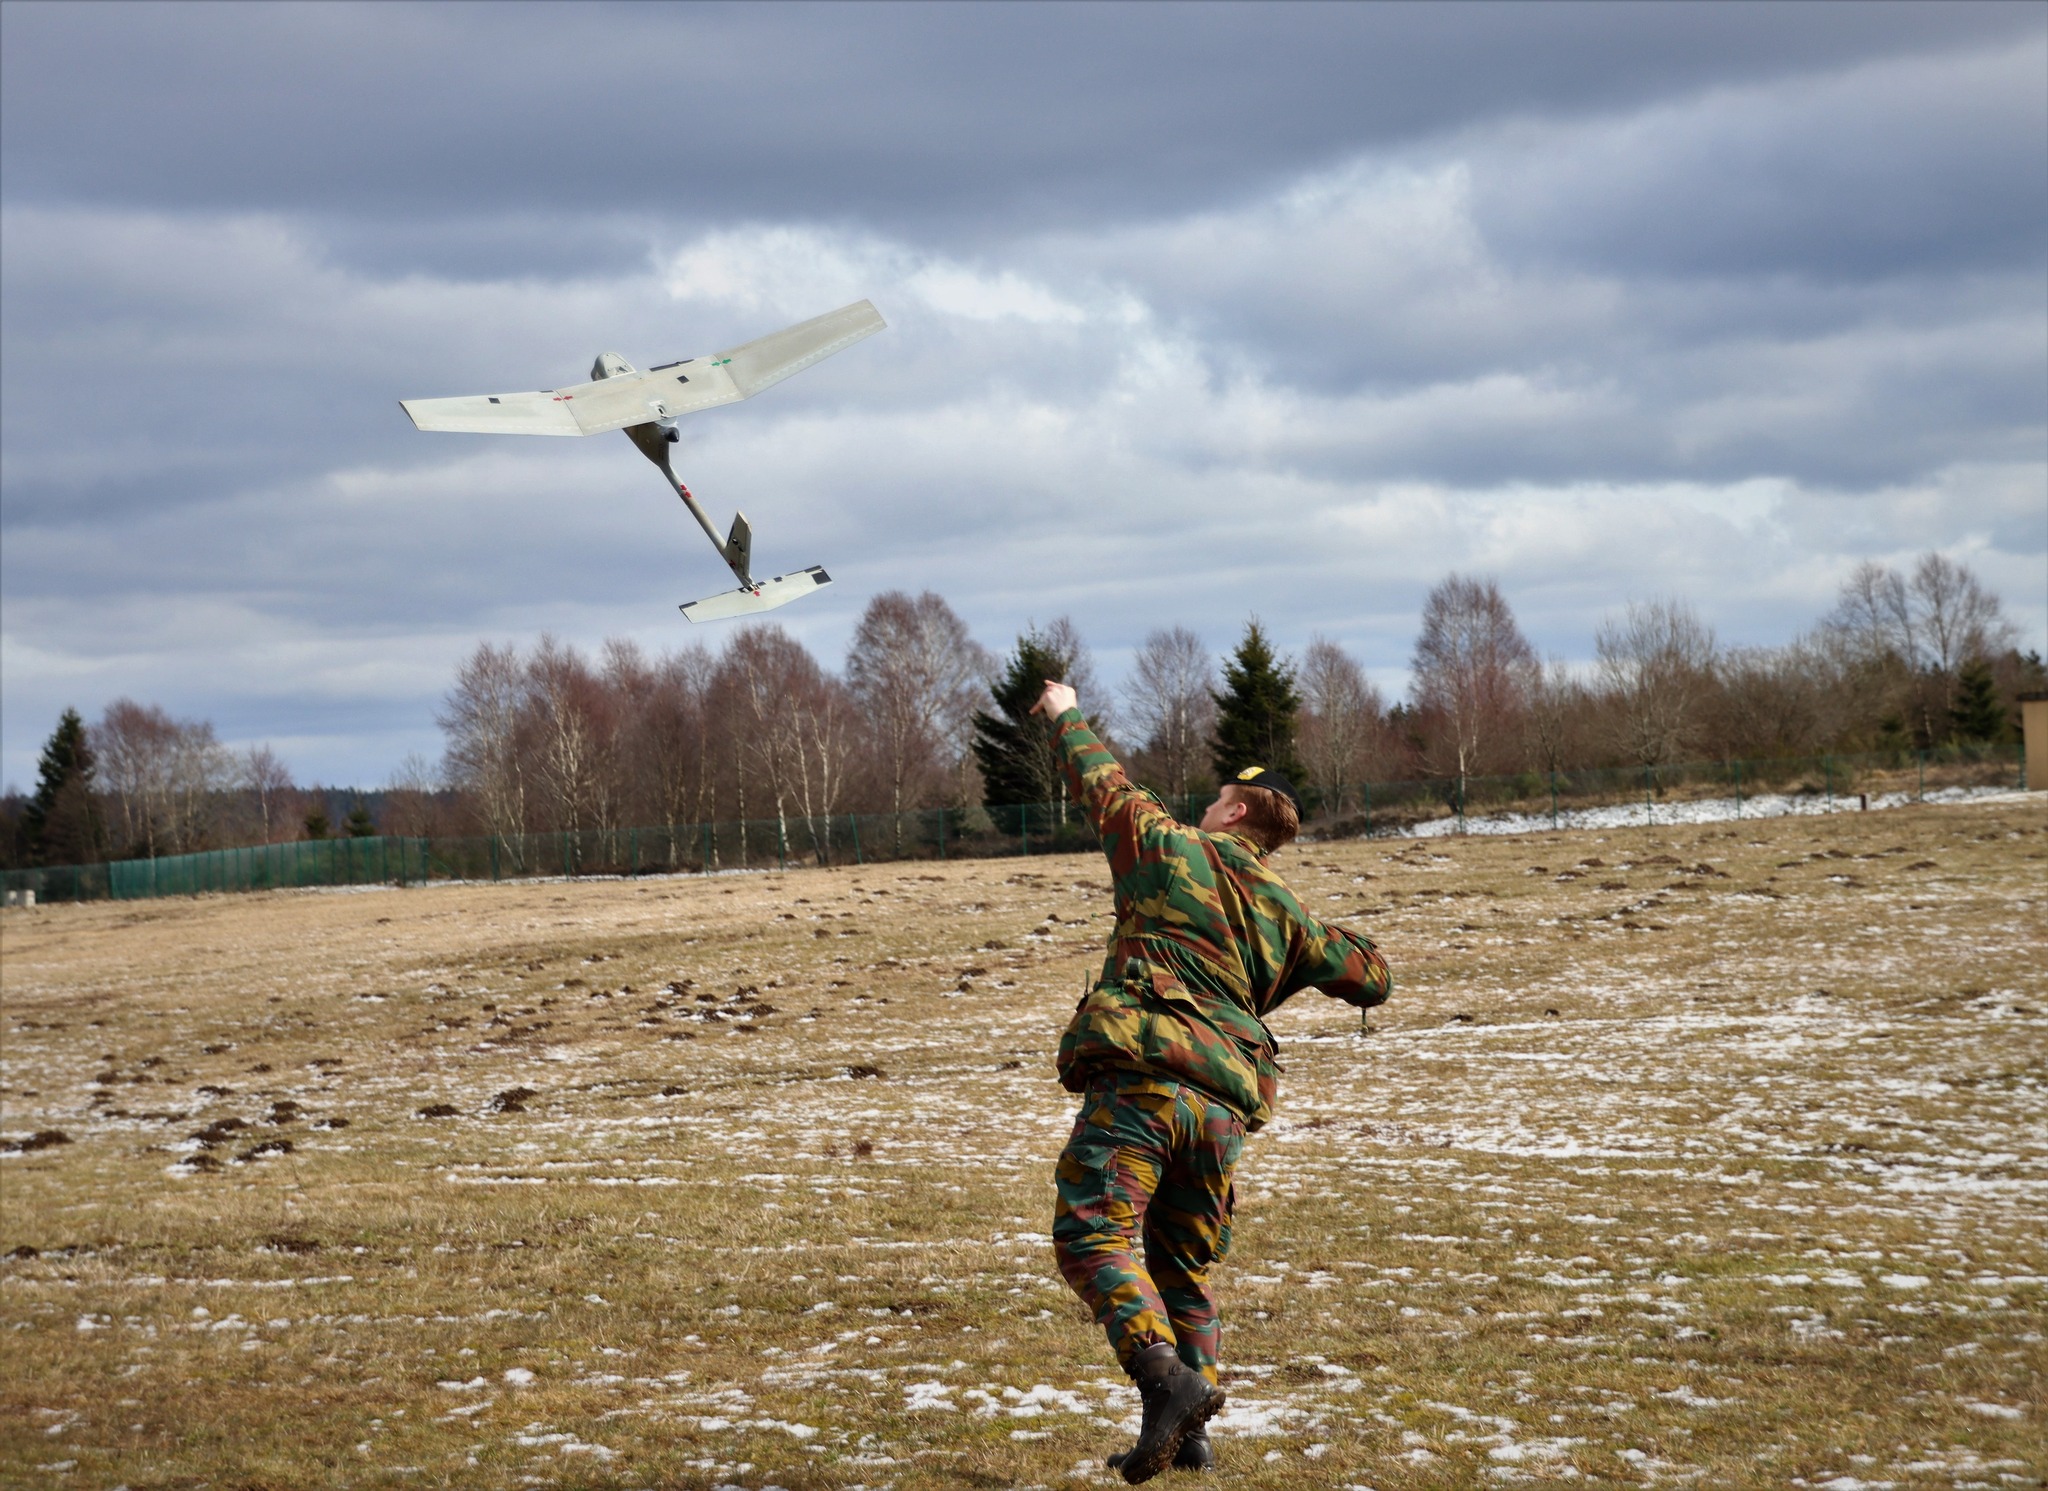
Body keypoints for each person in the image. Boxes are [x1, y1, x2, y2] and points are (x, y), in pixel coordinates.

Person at [1028, 679, 1391, 1482]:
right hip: (1223, 1112)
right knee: (1180, 1267)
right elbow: (1371, 975)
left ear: (1234, 813)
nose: (1207, 806)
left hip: (1148, 1085)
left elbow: (1104, 782)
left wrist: (1063, 713)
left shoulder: (1168, 849)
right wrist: (1303, 948)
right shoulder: (1290, 916)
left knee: (1093, 1234)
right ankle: (1192, 1434)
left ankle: (1165, 1379)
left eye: (1218, 798)